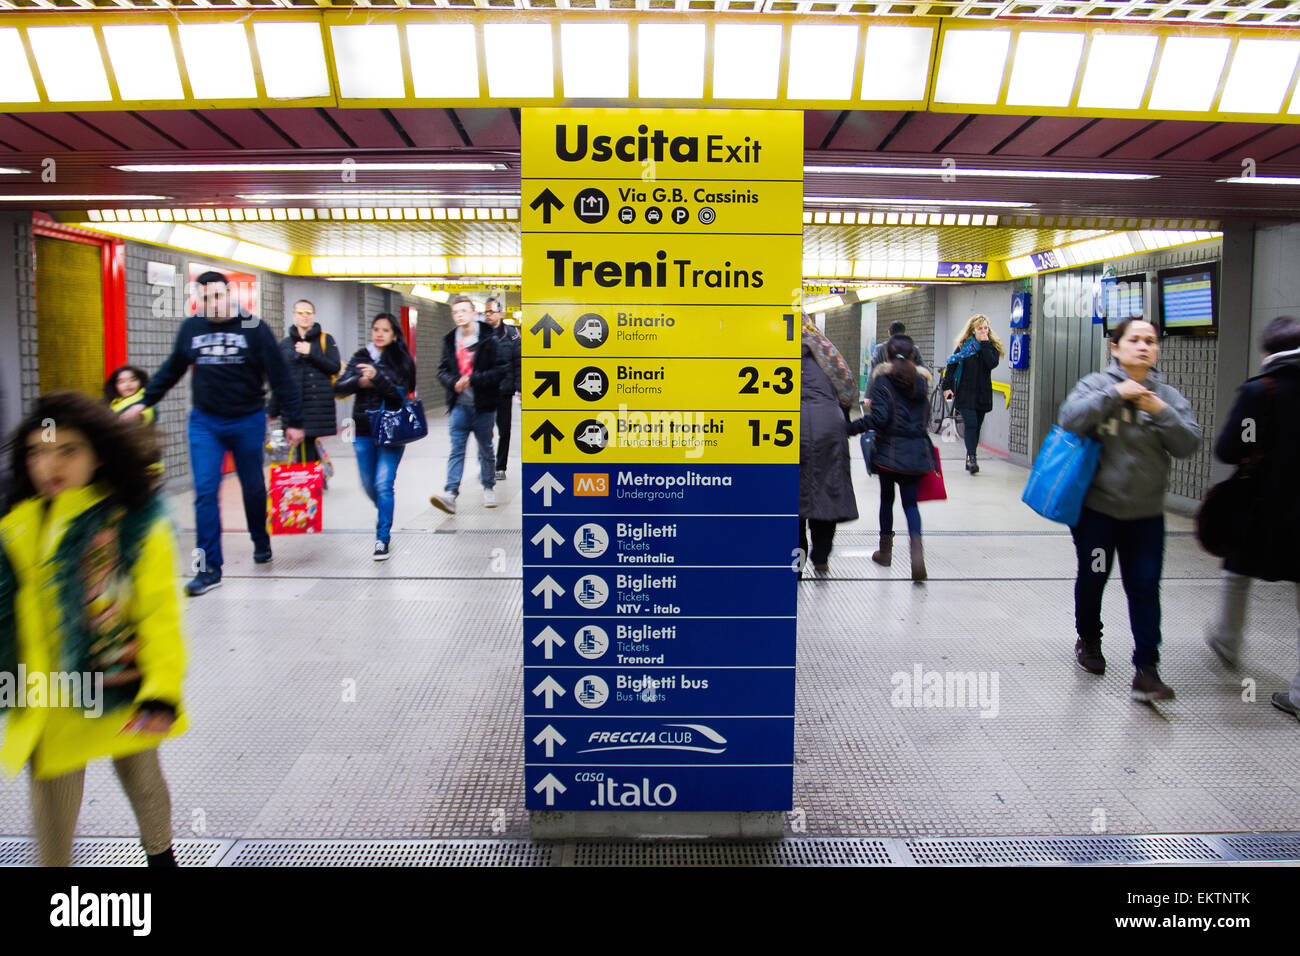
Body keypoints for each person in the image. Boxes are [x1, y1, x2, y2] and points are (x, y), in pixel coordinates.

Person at [0, 391, 187, 867]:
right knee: (51, 801)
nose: (50, 465)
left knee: (143, 782)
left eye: (68, 450)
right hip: (48, 692)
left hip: (119, 681)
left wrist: (162, 690)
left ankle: (161, 857)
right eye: (38, 451)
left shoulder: (130, 523)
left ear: (98, 453)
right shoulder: (17, 524)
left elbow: (160, 612)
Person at [122, 271, 304, 596]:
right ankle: (207, 569)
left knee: (252, 487)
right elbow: (171, 370)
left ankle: (260, 539)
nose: (212, 304)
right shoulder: (192, 328)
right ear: (198, 299)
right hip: (205, 423)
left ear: (230, 294)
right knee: (205, 491)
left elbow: (281, 376)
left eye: (217, 296)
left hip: (248, 420)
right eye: (205, 298)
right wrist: (143, 403)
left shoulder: (254, 327)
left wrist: (294, 421)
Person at [1058, 317, 1201, 701]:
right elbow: (1069, 419)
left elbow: (1189, 443)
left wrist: (1158, 409)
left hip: (1146, 517)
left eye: (1150, 341)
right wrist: (1117, 394)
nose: (1143, 347)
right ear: (1115, 348)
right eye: (1134, 340)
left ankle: (1147, 669)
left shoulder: (1166, 396)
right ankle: (1089, 639)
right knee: (1095, 576)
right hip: (1098, 514)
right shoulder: (1096, 386)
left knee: (1144, 586)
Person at [1204, 315, 1300, 722]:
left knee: (1238, 568)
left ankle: (1226, 640)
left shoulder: (1261, 391)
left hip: (1265, 505)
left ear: (1266, 351)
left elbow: (1231, 447)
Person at [334, 313, 416, 561]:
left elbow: (404, 390)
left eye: (385, 330)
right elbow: (339, 387)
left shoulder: (401, 359)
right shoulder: (361, 356)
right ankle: (384, 512)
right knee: (369, 485)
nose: (380, 334)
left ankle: (382, 538)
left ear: (394, 335)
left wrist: (377, 378)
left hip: (392, 430)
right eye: (376, 329)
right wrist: (362, 380)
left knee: (383, 484)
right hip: (363, 429)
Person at [857, 334, 935, 581]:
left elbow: (879, 419)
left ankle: (885, 552)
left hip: (889, 453)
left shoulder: (883, 382)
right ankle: (917, 556)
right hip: (915, 453)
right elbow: (926, 420)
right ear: (913, 356)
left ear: (887, 356)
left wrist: (849, 428)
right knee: (911, 504)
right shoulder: (921, 384)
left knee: (886, 500)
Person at [430, 296, 508, 515]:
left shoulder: (489, 339)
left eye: (464, 310)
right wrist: (452, 383)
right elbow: (442, 370)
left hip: (483, 407)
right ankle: (451, 494)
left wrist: (473, 380)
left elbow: (501, 370)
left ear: (474, 314)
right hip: (459, 407)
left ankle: (488, 486)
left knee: (486, 449)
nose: (460, 315)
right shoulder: (449, 340)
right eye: (456, 312)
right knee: (457, 450)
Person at [797, 314, 858, 576]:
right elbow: (848, 390)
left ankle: (795, 566)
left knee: (793, 501)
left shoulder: (775, 348)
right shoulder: (825, 347)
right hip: (829, 429)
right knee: (827, 491)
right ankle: (821, 557)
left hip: (789, 430)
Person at [268, 299, 341, 466]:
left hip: (317, 407)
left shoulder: (325, 340)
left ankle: (310, 482)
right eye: (300, 313)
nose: (304, 317)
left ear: (314, 316)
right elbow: (279, 378)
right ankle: (313, 478)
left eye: (308, 313)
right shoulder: (285, 345)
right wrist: (273, 409)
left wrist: (311, 353)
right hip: (293, 406)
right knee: (300, 446)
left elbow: (334, 367)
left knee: (307, 443)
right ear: (294, 315)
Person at [941, 314, 1004, 474]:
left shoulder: (991, 347)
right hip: (965, 393)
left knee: (977, 427)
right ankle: (973, 457)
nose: (983, 331)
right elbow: (952, 365)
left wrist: (984, 344)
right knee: (971, 424)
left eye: (985, 328)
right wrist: (947, 386)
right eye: (980, 328)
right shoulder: (963, 347)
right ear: (973, 330)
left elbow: (991, 363)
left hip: (982, 394)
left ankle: (970, 456)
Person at [484, 297, 522, 481]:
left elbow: (518, 363)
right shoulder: (479, 334)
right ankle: (488, 464)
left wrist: (519, 388)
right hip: (485, 390)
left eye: (491, 311)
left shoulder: (512, 334)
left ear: (500, 313)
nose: (488, 315)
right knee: (485, 430)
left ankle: (500, 466)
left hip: (504, 391)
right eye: (486, 312)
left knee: (504, 430)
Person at [104, 364, 162, 476]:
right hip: (125, 463)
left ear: (140, 381)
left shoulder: (143, 401)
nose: (128, 385)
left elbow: (141, 416)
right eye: (121, 382)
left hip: (142, 463)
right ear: (115, 385)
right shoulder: (115, 403)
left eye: (132, 380)